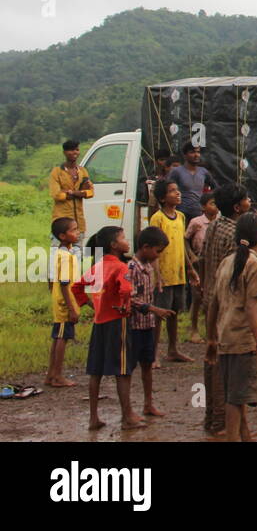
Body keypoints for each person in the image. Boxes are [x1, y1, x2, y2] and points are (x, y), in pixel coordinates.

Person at [206, 211, 257, 442]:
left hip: (225, 335)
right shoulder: (256, 265)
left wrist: (211, 339)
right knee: (235, 399)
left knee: (236, 393)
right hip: (243, 341)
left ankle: (245, 436)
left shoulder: (227, 261)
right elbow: (252, 308)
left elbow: (213, 305)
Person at [72, 226, 140, 430]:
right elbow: (126, 288)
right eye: (123, 238)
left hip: (99, 322)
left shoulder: (98, 266)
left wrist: (89, 303)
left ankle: (94, 417)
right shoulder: (121, 267)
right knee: (123, 370)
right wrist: (124, 302)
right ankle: (127, 416)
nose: (127, 241)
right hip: (117, 321)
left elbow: (76, 287)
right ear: (114, 245)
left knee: (96, 371)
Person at [201, 182, 248, 435]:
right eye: (246, 200)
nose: (249, 202)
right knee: (224, 362)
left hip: (210, 296)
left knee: (211, 359)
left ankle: (212, 416)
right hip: (225, 303)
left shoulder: (214, 226)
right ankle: (220, 420)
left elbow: (203, 259)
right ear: (238, 207)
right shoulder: (235, 235)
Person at [127, 225, 174, 419]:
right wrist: (154, 309)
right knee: (128, 368)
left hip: (147, 325)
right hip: (134, 325)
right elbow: (129, 298)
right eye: (157, 251)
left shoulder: (147, 266)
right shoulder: (132, 268)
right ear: (145, 247)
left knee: (147, 364)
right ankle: (128, 408)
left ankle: (148, 404)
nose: (158, 255)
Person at [148, 179, 197, 363]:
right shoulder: (158, 218)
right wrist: (157, 275)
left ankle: (173, 349)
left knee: (174, 313)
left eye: (177, 190)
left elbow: (181, 245)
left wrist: (190, 268)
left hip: (178, 273)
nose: (177, 193)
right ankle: (152, 353)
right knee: (159, 314)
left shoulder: (181, 217)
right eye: (172, 191)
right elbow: (153, 248)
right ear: (162, 197)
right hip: (163, 274)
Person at [47, 217, 81, 388]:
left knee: (58, 337)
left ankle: (51, 374)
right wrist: (72, 308)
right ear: (62, 236)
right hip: (64, 303)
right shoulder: (66, 256)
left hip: (59, 300)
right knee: (62, 337)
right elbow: (65, 283)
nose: (78, 232)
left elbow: (50, 278)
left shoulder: (59, 252)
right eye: (73, 230)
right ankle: (58, 375)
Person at [185, 193, 219, 343]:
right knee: (198, 296)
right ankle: (193, 329)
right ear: (203, 207)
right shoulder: (196, 222)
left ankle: (210, 330)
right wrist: (191, 256)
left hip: (214, 264)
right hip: (199, 263)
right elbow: (185, 239)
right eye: (212, 203)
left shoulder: (220, 221)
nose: (215, 207)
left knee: (212, 297)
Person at [49, 139, 93, 236]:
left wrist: (70, 192)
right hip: (62, 225)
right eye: (71, 150)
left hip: (79, 225)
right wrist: (80, 193)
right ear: (64, 152)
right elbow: (57, 195)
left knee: (77, 251)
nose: (74, 152)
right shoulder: (56, 172)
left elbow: (90, 193)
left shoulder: (83, 171)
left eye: (76, 150)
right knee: (61, 251)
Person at [167, 141, 217, 222]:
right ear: (185, 155)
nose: (196, 155)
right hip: (180, 214)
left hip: (198, 214)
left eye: (198, 152)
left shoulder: (203, 172)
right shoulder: (177, 171)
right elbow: (167, 189)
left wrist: (207, 201)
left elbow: (215, 187)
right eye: (192, 152)